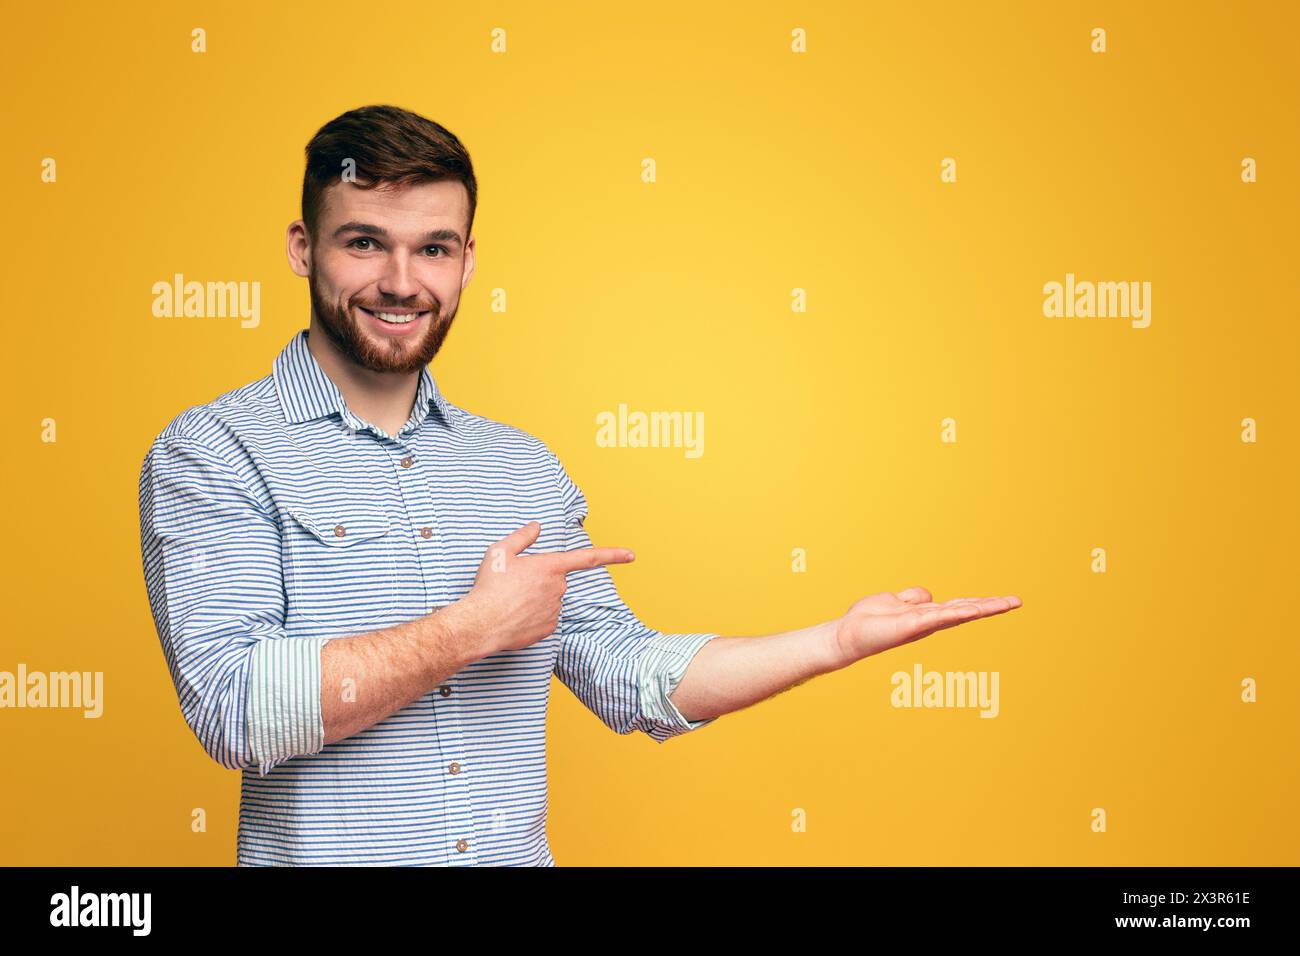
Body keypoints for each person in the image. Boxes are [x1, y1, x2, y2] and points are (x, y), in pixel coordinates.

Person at [137, 103, 1022, 866]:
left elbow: (631, 675)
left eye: (433, 248)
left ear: (468, 260)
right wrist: (473, 629)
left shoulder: (522, 468)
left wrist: (833, 641)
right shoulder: (213, 452)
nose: (402, 283)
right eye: (365, 243)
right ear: (303, 248)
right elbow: (235, 710)